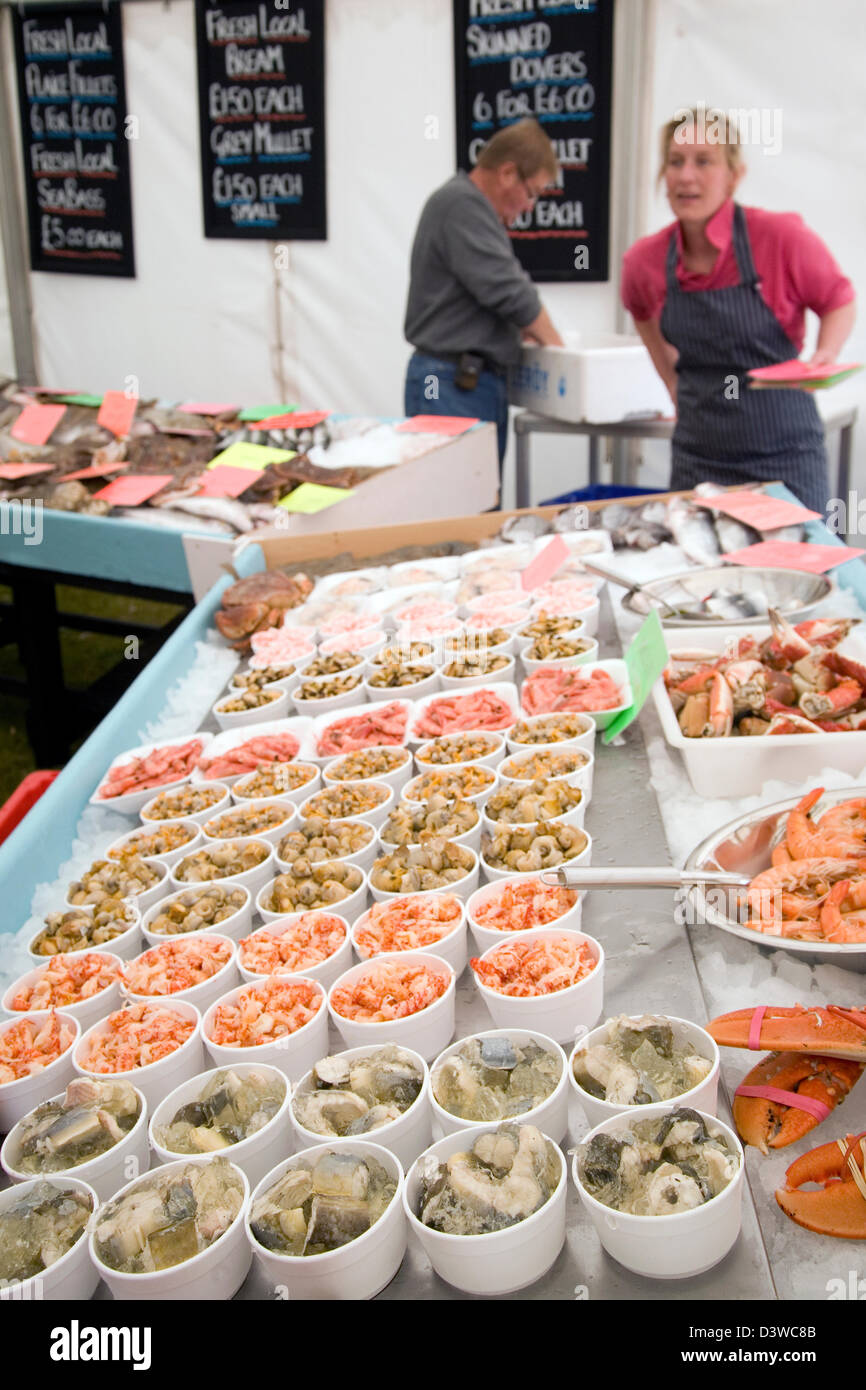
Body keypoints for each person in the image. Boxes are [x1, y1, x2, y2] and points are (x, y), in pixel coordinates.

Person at [621, 108, 856, 514]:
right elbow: (639, 310)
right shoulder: (645, 259)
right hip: (700, 457)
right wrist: (672, 382)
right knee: (701, 572)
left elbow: (839, 298)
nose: (686, 176)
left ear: (734, 174)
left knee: (800, 568)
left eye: (703, 161)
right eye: (675, 162)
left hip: (785, 455)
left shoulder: (780, 237)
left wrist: (825, 354)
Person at [404, 118, 563, 480]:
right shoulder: (462, 204)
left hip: (466, 384)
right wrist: (558, 351)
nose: (529, 207)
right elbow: (509, 290)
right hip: (451, 386)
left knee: (476, 507)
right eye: (532, 192)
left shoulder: (462, 205)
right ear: (508, 173)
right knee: (456, 511)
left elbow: (484, 292)